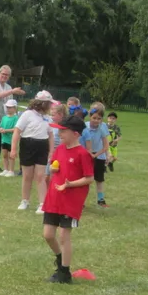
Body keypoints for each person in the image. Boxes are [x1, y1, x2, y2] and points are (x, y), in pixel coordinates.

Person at [43, 115, 94, 284]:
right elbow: (54, 166)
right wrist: (52, 169)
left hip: (70, 202)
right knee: (48, 235)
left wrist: (70, 184)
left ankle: (65, 273)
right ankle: (60, 260)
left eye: (63, 131)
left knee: (64, 236)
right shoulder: (60, 149)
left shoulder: (82, 154)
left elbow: (89, 178)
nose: (60, 133)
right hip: (54, 198)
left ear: (76, 133)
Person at [10, 91, 54, 215]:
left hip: (42, 146)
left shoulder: (47, 117)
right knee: (27, 175)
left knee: (40, 176)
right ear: (42, 103)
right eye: (49, 103)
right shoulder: (27, 114)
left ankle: (42, 204)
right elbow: (17, 131)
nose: (50, 106)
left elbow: (50, 135)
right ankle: (25, 200)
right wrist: (13, 149)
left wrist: (51, 151)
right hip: (27, 145)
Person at [80, 103, 111, 207]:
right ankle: (81, 201)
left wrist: (107, 155)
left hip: (99, 156)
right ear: (90, 116)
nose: (96, 120)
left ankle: (101, 199)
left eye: (99, 118)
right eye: (94, 118)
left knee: (99, 179)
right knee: (85, 179)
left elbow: (106, 144)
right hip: (86, 155)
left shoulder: (103, 127)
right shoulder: (85, 126)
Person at [0, 99, 19, 176]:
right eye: (7, 107)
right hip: (4, 139)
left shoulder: (16, 118)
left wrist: (6, 130)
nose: (8, 109)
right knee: (4, 155)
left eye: (10, 107)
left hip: (11, 140)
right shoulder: (4, 118)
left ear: (15, 108)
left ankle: (11, 170)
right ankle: (6, 169)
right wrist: (1, 129)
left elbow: (15, 129)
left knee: (11, 156)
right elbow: (1, 126)